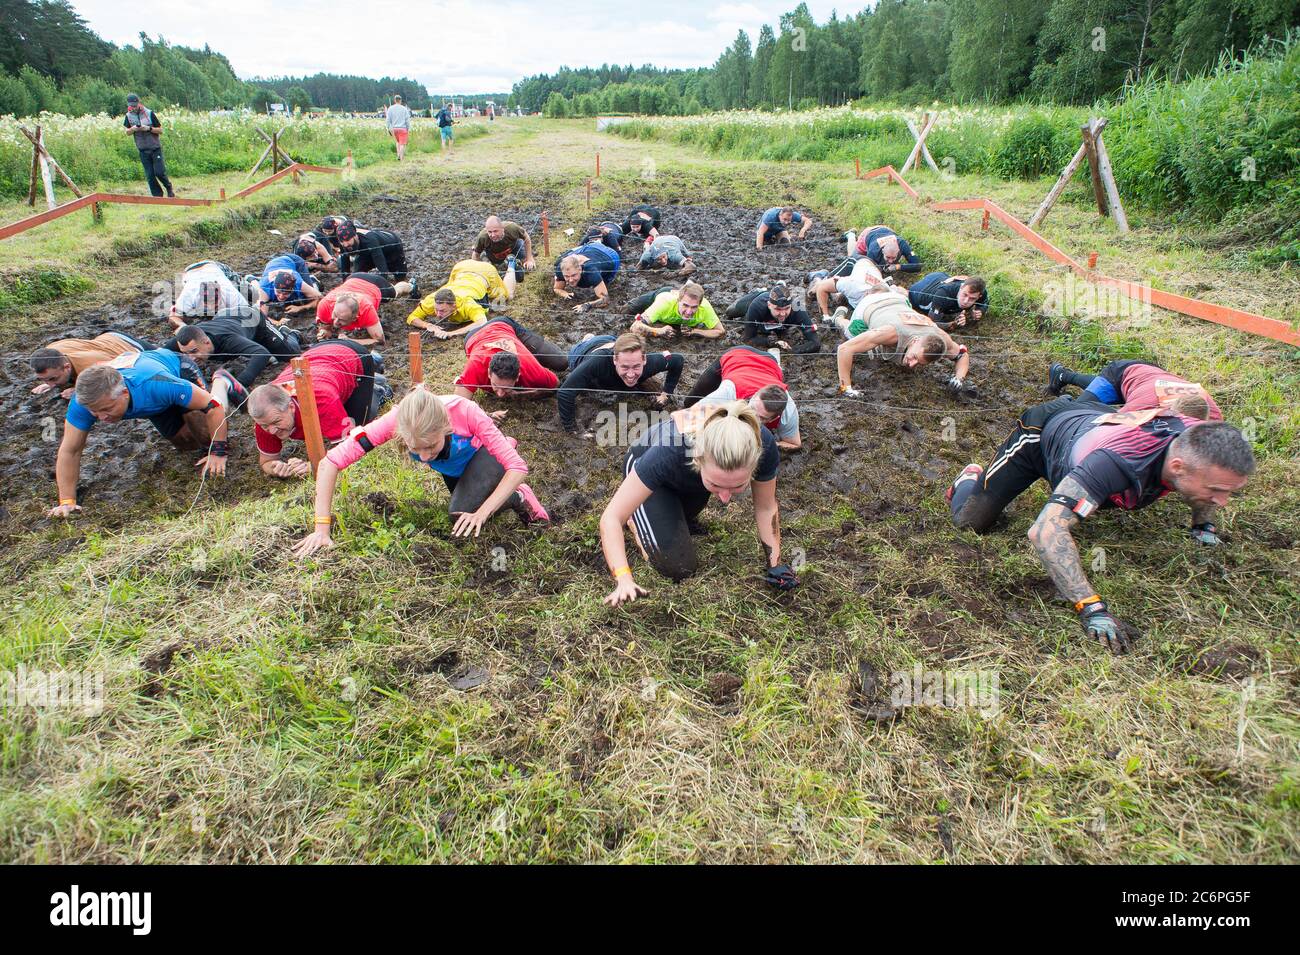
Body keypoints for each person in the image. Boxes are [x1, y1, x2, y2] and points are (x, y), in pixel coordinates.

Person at [947, 397, 1255, 654]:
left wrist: (1203, 526)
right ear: (1177, 466)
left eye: (1228, 491)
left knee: (1195, 485)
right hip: (1042, 435)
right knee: (971, 522)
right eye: (1216, 491)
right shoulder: (1119, 461)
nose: (1222, 501)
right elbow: (1044, 531)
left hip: (1095, 422)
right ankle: (969, 478)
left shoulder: (1197, 441)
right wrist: (1091, 608)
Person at [292, 386, 549, 556]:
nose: (424, 457)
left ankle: (519, 496)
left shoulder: (465, 411)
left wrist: (482, 513)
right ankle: (497, 494)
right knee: (464, 515)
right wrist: (321, 528)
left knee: (461, 514)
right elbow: (330, 463)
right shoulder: (395, 420)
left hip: (486, 456)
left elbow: (517, 467)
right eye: (416, 449)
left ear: (445, 427)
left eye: (430, 446)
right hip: (455, 467)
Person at [598, 401, 795, 603]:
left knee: (685, 518)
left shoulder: (764, 445)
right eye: (717, 484)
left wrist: (775, 564)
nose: (725, 499)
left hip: (691, 479)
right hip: (647, 469)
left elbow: (766, 507)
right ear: (698, 459)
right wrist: (623, 578)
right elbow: (611, 517)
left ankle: (688, 499)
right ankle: (637, 517)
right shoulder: (670, 451)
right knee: (678, 568)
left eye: (737, 486)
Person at [48, 352, 230, 516]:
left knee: (205, 436)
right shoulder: (82, 404)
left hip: (175, 372)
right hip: (154, 402)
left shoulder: (156, 383)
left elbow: (214, 406)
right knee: (187, 444)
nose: (102, 417)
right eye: (94, 413)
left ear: (124, 393)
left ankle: (222, 382)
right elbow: (70, 450)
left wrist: (218, 452)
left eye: (106, 409)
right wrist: (67, 502)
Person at [249, 341, 391, 479]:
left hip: (351, 355)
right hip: (320, 361)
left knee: (360, 429)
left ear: (291, 407)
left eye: (277, 421)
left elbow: (349, 447)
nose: (272, 431)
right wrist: (276, 468)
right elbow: (266, 461)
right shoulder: (265, 415)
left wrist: (315, 465)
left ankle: (378, 390)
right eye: (265, 426)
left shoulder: (322, 401)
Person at [831, 290, 970, 396]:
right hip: (870, 305)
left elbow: (962, 354)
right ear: (915, 341)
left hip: (900, 301)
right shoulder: (891, 333)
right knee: (851, 335)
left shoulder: (942, 339)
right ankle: (839, 318)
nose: (912, 365)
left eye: (919, 363)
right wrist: (846, 389)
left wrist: (959, 379)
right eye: (915, 357)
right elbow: (844, 349)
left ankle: (885, 287)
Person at [558, 333, 684, 436]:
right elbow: (565, 392)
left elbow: (677, 360)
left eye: (636, 367)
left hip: (613, 340)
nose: (630, 374)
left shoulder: (650, 363)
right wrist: (573, 430)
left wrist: (665, 394)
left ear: (644, 359)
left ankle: (606, 341)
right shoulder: (597, 362)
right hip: (584, 352)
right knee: (576, 366)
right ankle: (587, 339)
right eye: (624, 367)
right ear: (614, 360)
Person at [685, 346, 802, 450]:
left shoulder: (788, 410)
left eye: (761, 417)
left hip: (770, 362)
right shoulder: (728, 392)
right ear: (755, 395)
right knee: (689, 402)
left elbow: (794, 444)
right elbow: (688, 420)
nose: (751, 415)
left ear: (773, 418)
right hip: (736, 356)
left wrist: (766, 445)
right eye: (752, 408)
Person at [166, 317, 302, 406]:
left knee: (290, 354)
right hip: (225, 318)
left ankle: (290, 333)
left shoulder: (229, 340)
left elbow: (262, 354)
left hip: (251, 318)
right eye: (185, 353)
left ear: (206, 342)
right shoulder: (184, 341)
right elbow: (157, 354)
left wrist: (238, 385)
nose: (190, 358)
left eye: (194, 351)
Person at [1047, 360, 1223, 421]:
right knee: (1076, 410)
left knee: (1109, 392)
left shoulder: (1213, 416)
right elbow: (1114, 425)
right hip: (1122, 373)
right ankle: (1062, 379)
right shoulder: (1146, 406)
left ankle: (1064, 375)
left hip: (1149, 376)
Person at [452, 318, 566, 405]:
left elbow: (555, 385)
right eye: (495, 385)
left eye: (506, 388)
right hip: (475, 336)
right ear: (488, 373)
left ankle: (525, 344)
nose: (500, 394)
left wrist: (524, 395)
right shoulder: (476, 365)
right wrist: (486, 416)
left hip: (504, 325)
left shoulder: (531, 370)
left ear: (517, 376)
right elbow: (458, 405)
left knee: (562, 363)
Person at [407, 260, 514, 339]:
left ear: (454, 306)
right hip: (461, 268)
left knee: (508, 296)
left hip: (485, 272)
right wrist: (428, 325)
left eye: (443, 311)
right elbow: (411, 318)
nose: (438, 314)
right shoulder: (431, 301)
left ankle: (511, 264)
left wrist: (451, 333)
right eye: (436, 310)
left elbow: (482, 322)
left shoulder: (467, 303)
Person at [29, 332, 154, 399]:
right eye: (44, 379)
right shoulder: (50, 352)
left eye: (53, 378)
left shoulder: (93, 367)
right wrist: (49, 383)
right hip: (105, 339)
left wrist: (81, 390)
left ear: (67, 367)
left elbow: (120, 379)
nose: (51, 384)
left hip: (130, 346)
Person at [316, 272, 409, 348]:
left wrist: (350, 341)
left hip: (376, 284)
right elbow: (326, 328)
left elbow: (380, 341)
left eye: (342, 320)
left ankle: (410, 286)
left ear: (355, 318)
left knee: (395, 292)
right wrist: (324, 332)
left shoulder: (366, 310)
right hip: (353, 278)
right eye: (335, 315)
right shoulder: (325, 305)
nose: (335, 322)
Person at [727, 283, 820, 352]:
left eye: (787, 308)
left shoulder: (797, 308)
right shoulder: (757, 307)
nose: (783, 314)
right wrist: (768, 342)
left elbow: (815, 343)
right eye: (778, 309)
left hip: (773, 325)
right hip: (755, 299)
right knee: (730, 312)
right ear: (769, 305)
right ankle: (759, 290)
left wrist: (792, 350)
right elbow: (748, 339)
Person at [628, 282, 725, 340]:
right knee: (629, 309)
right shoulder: (664, 303)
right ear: (678, 301)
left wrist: (695, 331)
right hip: (663, 294)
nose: (688, 312)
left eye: (694, 307)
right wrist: (658, 331)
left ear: (699, 305)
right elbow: (635, 327)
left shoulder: (705, 307)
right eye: (685, 305)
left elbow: (720, 332)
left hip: (672, 313)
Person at [123, 93, 174, 198]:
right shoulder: (128, 116)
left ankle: (169, 187)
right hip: (142, 150)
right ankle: (157, 197)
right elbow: (127, 132)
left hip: (155, 148)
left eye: (135, 105)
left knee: (159, 172)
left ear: (139, 103)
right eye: (131, 106)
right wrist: (133, 129)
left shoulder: (149, 113)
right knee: (150, 176)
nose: (133, 107)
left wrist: (148, 128)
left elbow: (160, 130)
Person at [169, 261, 250, 324]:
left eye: (215, 306)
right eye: (207, 305)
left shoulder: (230, 292)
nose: (211, 309)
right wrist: (183, 327)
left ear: (220, 293)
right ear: (199, 296)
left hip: (214, 267)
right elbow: (173, 317)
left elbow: (246, 313)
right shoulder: (190, 293)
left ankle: (251, 279)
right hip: (190, 271)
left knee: (248, 290)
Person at [812, 257, 890, 318]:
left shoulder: (888, 293)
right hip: (857, 261)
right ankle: (817, 276)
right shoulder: (851, 286)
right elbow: (822, 287)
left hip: (873, 269)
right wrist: (825, 316)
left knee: (841, 299)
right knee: (816, 290)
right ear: (866, 294)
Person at [553, 242, 620, 312]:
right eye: (566, 276)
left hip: (610, 255)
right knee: (558, 261)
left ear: (580, 270)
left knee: (607, 282)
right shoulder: (560, 269)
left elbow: (605, 299)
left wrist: (587, 305)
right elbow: (557, 288)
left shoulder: (590, 271)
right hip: (590, 247)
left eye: (573, 275)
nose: (570, 280)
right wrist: (564, 294)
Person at [907, 273, 988, 330]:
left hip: (941, 276)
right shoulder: (943, 294)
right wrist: (953, 324)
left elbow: (985, 302)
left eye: (972, 299)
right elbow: (931, 323)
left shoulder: (981, 292)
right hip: (918, 293)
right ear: (961, 287)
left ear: (979, 296)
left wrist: (980, 310)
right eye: (965, 295)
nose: (966, 301)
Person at [335, 221, 410, 282]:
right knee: (357, 276)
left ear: (355, 235)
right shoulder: (343, 243)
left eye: (348, 240)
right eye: (342, 241)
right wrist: (346, 285)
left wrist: (381, 287)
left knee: (400, 277)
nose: (345, 244)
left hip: (392, 248)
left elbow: (382, 268)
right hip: (366, 252)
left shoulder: (370, 240)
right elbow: (345, 266)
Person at [256, 253, 322, 318]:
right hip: (274, 264)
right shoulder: (264, 288)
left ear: (293, 289)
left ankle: (313, 280)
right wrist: (276, 322)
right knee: (264, 299)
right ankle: (254, 279)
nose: (281, 297)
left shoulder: (298, 283)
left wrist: (301, 308)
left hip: (295, 262)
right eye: (278, 292)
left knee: (306, 298)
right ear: (274, 286)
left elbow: (320, 298)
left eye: (286, 293)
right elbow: (262, 317)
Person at [852, 226, 919, 275]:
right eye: (888, 257)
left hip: (886, 229)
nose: (890, 261)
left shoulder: (903, 245)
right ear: (883, 251)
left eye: (893, 258)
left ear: (899, 251)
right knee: (852, 258)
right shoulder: (873, 251)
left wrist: (897, 266)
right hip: (868, 233)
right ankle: (850, 235)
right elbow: (870, 272)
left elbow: (917, 266)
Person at [385, 94, 412, 161]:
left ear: (394, 100)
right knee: (402, 144)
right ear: (400, 100)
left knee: (397, 142)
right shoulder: (404, 109)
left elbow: (388, 119)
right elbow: (407, 120)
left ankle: (398, 155)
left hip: (394, 129)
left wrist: (388, 128)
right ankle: (401, 158)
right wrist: (408, 128)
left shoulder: (390, 108)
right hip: (403, 128)